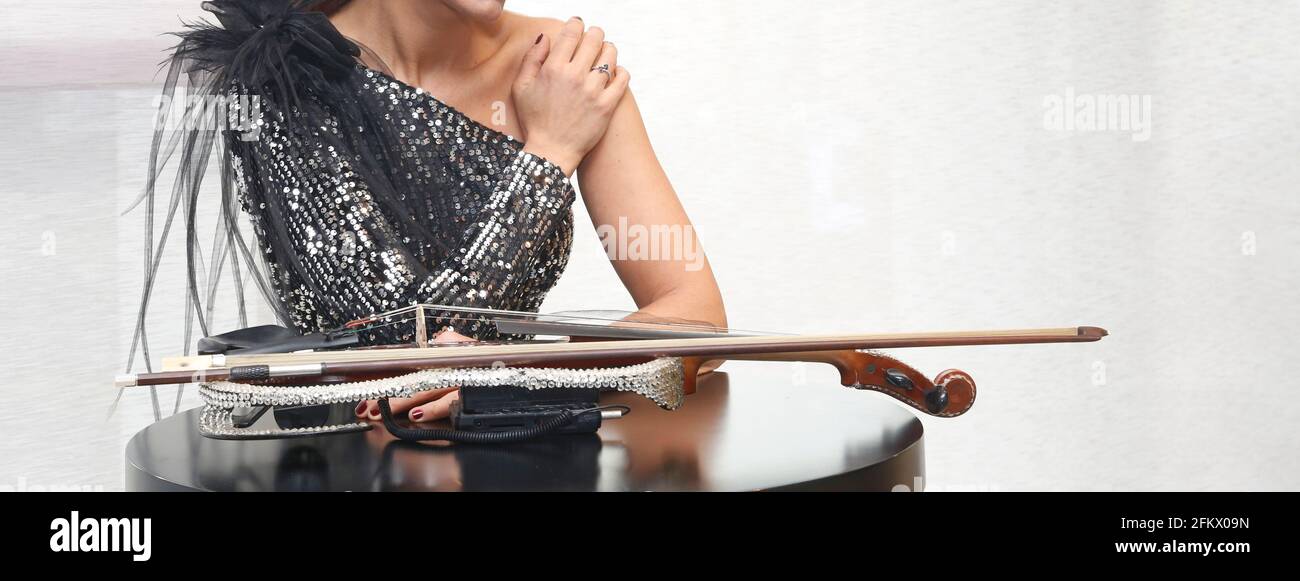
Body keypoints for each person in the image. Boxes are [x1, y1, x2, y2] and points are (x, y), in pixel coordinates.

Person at [130, 0, 725, 423]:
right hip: (361, 463)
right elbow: (397, 347)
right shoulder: (287, 70)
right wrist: (549, 155)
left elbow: (699, 319)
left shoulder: (564, 70)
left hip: (523, 451)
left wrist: (523, 379)